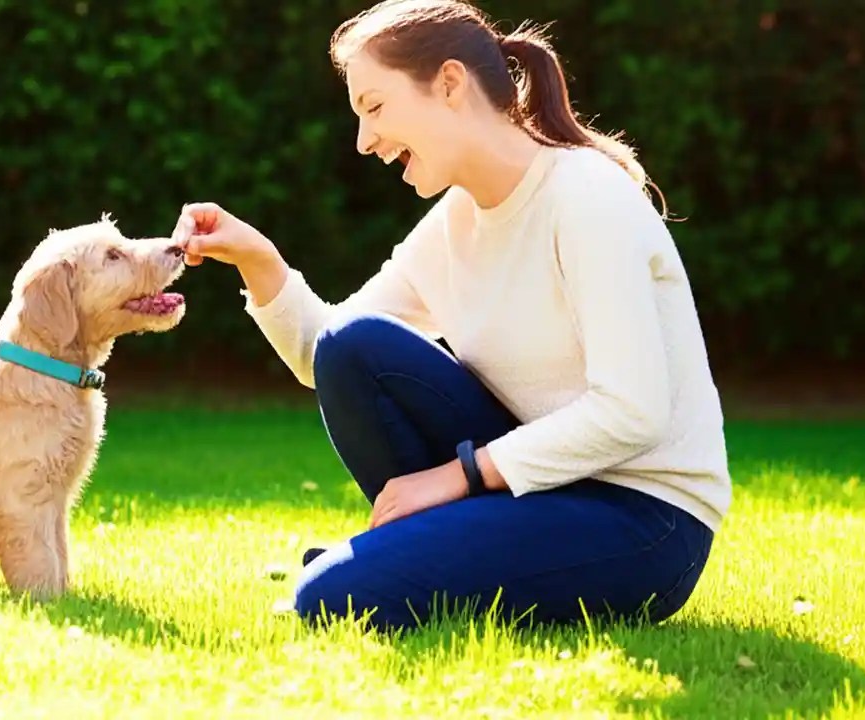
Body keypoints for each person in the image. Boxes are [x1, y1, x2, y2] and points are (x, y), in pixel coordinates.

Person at [169, 0, 731, 632]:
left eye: (375, 108)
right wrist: (258, 260)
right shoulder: (457, 223)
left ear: (450, 83)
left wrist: (459, 476)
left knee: (325, 600)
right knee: (355, 347)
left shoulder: (586, 197)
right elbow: (324, 354)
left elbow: (633, 411)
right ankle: (402, 559)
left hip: (646, 520)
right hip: (541, 490)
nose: (364, 141)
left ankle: (387, 563)